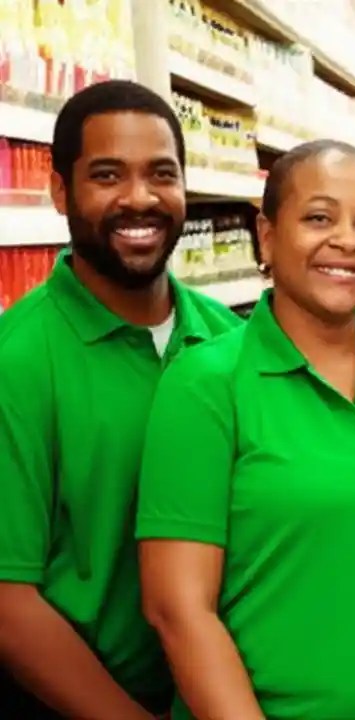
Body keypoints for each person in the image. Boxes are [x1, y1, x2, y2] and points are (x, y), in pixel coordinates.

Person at [133, 140, 355, 720]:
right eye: (318, 217)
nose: (348, 242)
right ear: (267, 235)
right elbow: (177, 609)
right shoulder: (206, 384)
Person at [0, 80, 242, 718]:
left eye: (161, 174)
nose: (140, 198)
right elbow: (7, 601)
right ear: (60, 191)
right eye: (107, 175)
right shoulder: (18, 361)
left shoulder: (232, 342)